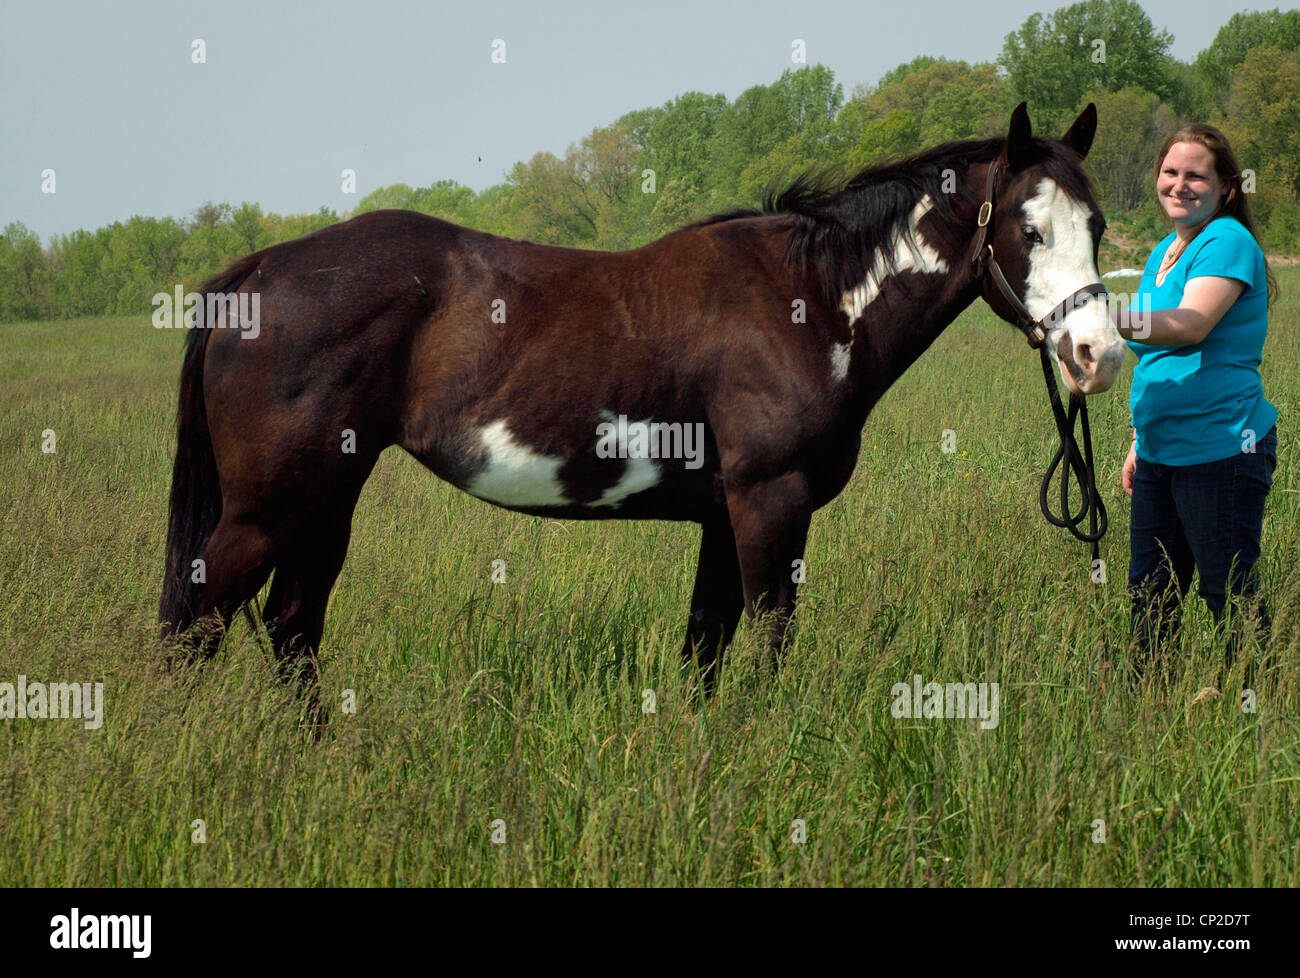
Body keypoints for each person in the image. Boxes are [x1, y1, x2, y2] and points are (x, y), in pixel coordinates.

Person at [1110, 123, 1279, 687]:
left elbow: (1189, 325)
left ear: (1226, 187)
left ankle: (1261, 710)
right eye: (1170, 173)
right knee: (1150, 598)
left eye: (1196, 175)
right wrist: (1139, 440)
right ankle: (1144, 716)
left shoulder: (1226, 240)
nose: (1180, 185)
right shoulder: (1164, 249)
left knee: (1226, 593)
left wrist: (1101, 316)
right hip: (1162, 454)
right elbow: (1148, 352)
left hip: (1223, 449)